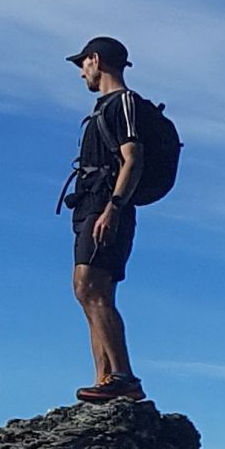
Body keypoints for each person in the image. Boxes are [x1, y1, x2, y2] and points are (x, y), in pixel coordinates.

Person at [64, 36, 150, 405]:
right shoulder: (103, 108)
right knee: (88, 289)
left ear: (96, 60)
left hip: (106, 208)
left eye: (84, 62)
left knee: (91, 287)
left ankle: (123, 379)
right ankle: (105, 378)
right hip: (92, 207)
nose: (83, 71)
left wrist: (113, 206)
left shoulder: (123, 103)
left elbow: (134, 157)